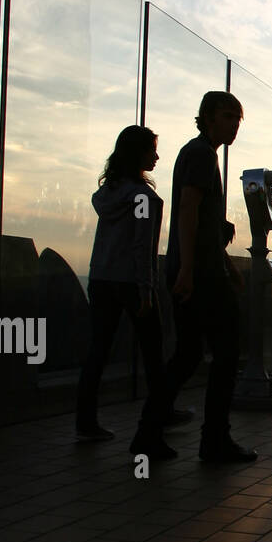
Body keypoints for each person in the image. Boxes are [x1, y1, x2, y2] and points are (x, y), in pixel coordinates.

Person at [132, 91, 257, 464]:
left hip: (197, 269)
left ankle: (147, 434)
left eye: (237, 117)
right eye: (226, 116)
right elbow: (187, 208)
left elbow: (200, 220)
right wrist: (189, 269)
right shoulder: (202, 155)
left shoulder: (198, 153)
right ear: (207, 117)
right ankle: (214, 440)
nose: (233, 123)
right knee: (227, 350)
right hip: (199, 275)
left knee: (187, 356)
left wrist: (224, 262)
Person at [77, 126, 180, 440]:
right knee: (153, 350)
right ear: (138, 153)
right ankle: (160, 413)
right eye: (152, 150)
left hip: (101, 277)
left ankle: (85, 422)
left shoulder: (107, 195)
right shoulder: (142, 197)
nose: (157, 156)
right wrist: (146, 289)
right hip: (131, 283)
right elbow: (142, 246)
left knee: (98, 350)